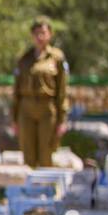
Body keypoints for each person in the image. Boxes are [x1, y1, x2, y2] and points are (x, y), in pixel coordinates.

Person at [12, 16, 69, 168]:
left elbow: (62, 91)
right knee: (28, 155)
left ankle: (47, 189)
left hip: (47, 108)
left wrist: (62, 119)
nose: (40, 37)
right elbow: (16, 91)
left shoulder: (57, 58)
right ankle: (29, 191)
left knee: (46, 154)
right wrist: (14, 118)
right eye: (36, 33)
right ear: (32, 35)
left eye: (43, 32)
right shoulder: (24, 59)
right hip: (26, 108)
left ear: (50, 34)